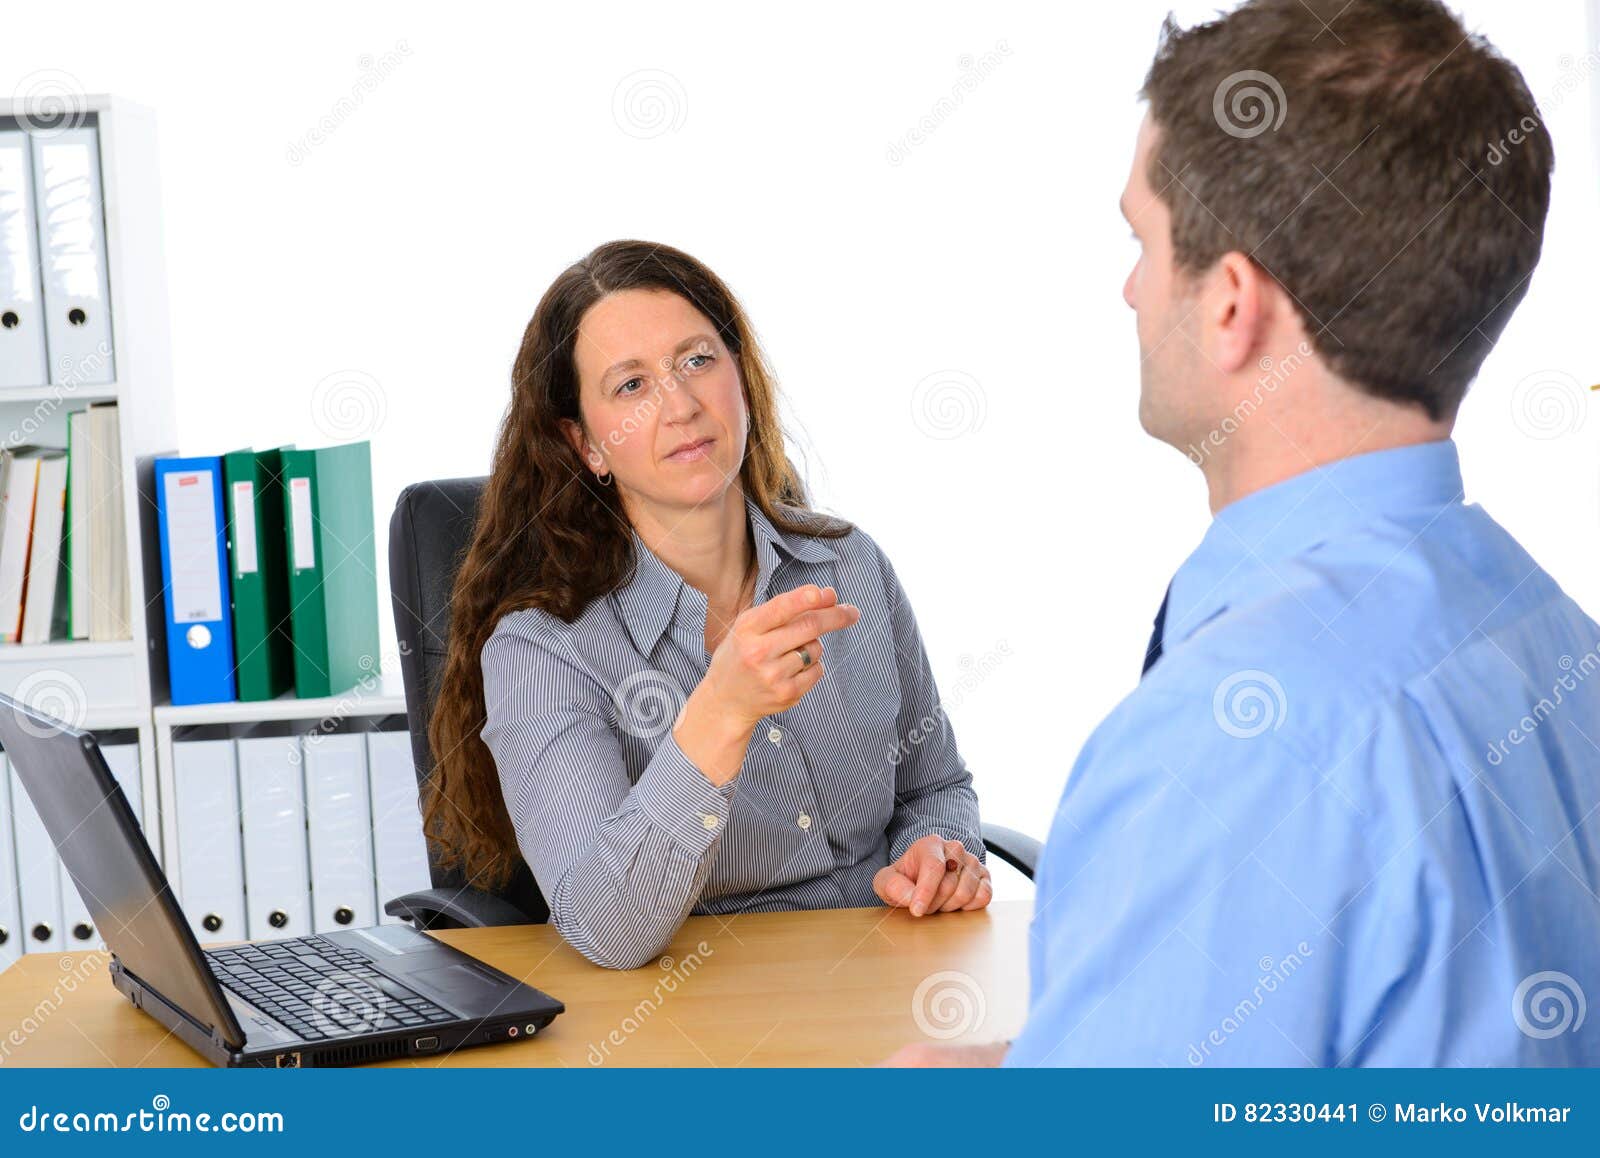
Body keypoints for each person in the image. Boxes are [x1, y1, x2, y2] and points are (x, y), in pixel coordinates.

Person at [888, 0, 1599, 1066]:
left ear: (1230, 305)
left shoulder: (1240, 748)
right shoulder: (1550, 639)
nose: (1128, 288)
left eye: (1143, 239)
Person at [425, 240, 990, 969]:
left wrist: (933, 859)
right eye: (630, 386)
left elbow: (935, 785)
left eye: (697, 360)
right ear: (586, 444)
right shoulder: (541, 649)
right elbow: (607, 932)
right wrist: (721, 714)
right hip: (699, 1009)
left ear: (741, 381)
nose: (682, 405)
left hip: (891, 974)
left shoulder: (851, 565)